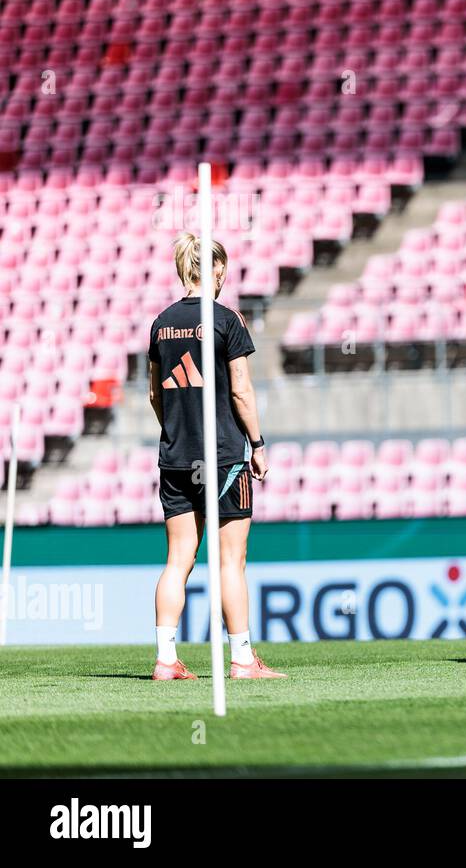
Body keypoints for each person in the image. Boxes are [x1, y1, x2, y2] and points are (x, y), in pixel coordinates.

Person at [147, 233, 283, 681]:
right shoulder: (228, 321)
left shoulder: (161, 323)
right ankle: (242, 659)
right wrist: (258, 443)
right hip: (223, 457)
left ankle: (166, 659)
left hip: (176, 456)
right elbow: (242, 390)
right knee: (231, 561)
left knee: (178, 558)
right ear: (217, 269)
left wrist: (179, 429)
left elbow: (155, 394)